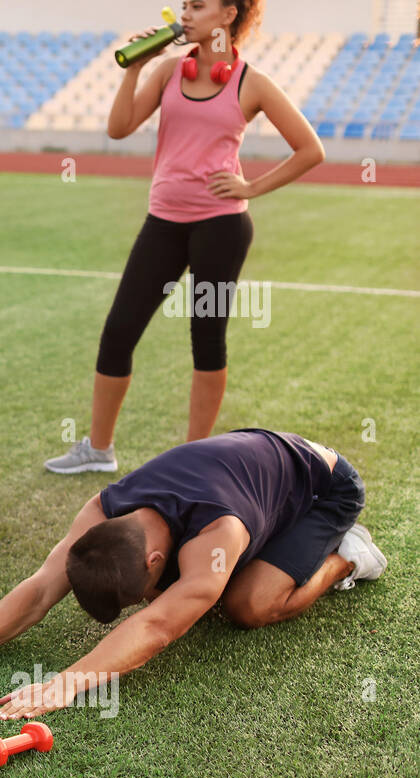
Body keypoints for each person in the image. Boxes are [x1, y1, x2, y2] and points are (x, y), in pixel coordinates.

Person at [0, 429, 386, 717]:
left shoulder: (219, 532)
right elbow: (44, 585)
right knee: (197, 592)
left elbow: (157, 626)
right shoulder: (102, 510)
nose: (147, 600)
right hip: (253, 472)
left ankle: (348, 556)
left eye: (146, 588)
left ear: (155, 562)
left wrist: (69, 681)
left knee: (246, 604)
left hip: (323, 488)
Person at [45, 0, 325, 474]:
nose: (185, 14)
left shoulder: (250, 82)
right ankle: (99, 448)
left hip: (221, 227)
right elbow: (118, 129)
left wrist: (251, 186)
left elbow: (310, 149)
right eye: (183, 6)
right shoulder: (169, 70)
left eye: (197, 6)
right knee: (118, 331)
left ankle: (195, 459)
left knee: (206, 337)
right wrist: (133, 70)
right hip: (163, 221)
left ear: (229, 14)